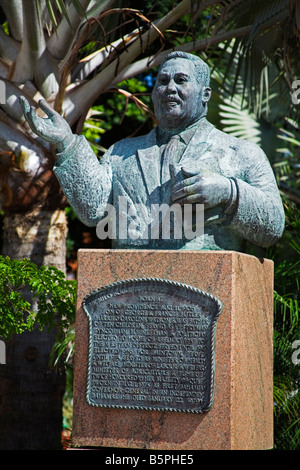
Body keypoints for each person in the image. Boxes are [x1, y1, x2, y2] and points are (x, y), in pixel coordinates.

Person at [20, 51, 285, 252]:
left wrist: (229, 192)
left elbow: (273, 226)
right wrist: (66, 142)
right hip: (132, 294)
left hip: (204, 293)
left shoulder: (240, 153)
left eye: (181, 80)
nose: (170, 87)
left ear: (205, 95)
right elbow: (93, 211)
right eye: (163, 81)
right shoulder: (121, 152)